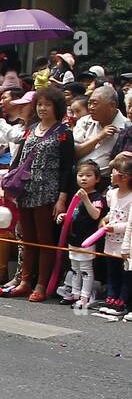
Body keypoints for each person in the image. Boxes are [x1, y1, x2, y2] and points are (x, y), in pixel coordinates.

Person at [4, 87, 72, 301]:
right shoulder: (30, 129)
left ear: (56, 107)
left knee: (44, 239)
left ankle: (41, 284)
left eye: (47, 104)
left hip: (47, 192)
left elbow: (67, 167)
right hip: (25, 190)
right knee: (27, 237)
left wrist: (61, 199)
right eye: (40, 104)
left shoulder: (63, 133)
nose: (42, 108)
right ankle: (25, 281)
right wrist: (7, 183)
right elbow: (18, 159)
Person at [58, 160, 105, 310]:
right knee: (75, 267)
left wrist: (85, 199)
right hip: (74, 237)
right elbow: (74, 213)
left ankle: (85, 296)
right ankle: (75, 293)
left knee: (85, 268)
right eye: (80, 175)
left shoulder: (96, 197)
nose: (83, 178)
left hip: (87, 239)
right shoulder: (76, 195)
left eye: (88, 175)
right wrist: (65, 216)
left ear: (97, 179)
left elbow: (95, 214)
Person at [98, 156, 132, 317]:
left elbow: (129, 224)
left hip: (125, 242)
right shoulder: (111, 194)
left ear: (124, 176)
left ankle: (122, 301)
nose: (111, 175)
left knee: (125, 272)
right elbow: (111, 213)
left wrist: (114, 227)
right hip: (110, 241)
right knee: (111, 270)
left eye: (114, 172)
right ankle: (111, 297)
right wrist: (105, 220)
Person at [73, 85, 129, 175]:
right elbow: (74, 152)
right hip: (79, 177)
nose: (90, 107)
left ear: (112, 105)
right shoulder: (84, 121)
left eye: (95, 103)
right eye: (89, 103)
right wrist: (99, 137)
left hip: (107, 181)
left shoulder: (127, 127)